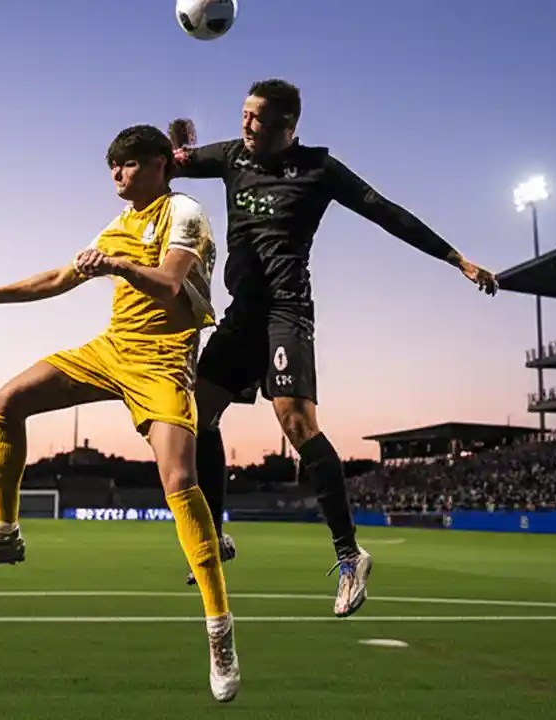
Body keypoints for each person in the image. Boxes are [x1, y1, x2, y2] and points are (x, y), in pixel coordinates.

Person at [169, 79, 499, 618]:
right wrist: (177, 147)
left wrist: (455, 258)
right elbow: (169, 165)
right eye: (244, 115)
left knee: (297, 426)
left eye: (256, 119)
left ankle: (350, 556)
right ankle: (218, 537)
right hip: (242, 316)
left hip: (286, 313)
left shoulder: (319, 169)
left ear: (287, 127)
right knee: (195, 418)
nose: (246, 125)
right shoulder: (232, 155)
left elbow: (386, 211)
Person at [0, 125, 240, 702]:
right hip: (111, 349)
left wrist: (118, 266)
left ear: (158, 163)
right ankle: (5, 535)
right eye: (112, 168)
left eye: (127, 165)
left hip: (162, 363)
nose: (117, 177)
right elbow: (59, 277)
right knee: (6, 402)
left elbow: (170, 283)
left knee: (181, 480)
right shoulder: (117, 227)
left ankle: (220, 633)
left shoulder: (184, 213)